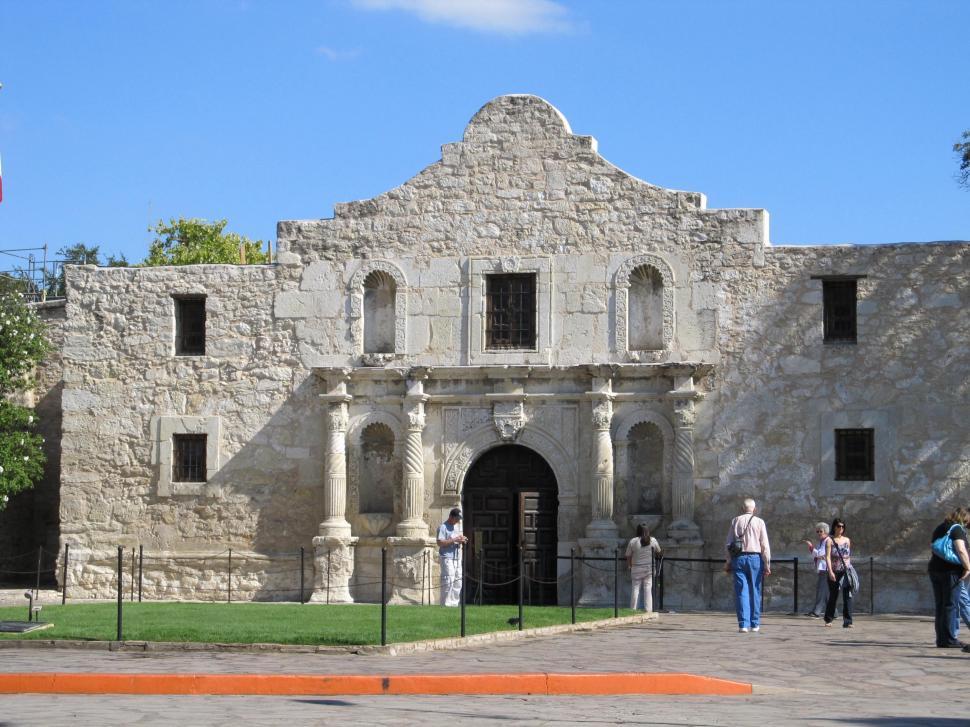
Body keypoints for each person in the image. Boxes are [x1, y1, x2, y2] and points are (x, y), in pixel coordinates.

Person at [723, 498, 771, 633]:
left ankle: (743, 624)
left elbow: (728, 544)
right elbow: (765, 546)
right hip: (755, 558)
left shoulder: (735, 521)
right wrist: (767, 564)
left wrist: (728, 561)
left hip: (738, 558)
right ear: (754, 509)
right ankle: (755, 624)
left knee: (741, 591)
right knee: (755, 591)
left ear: (742, 508)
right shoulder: (760, 522)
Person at [928, 507, 970, 648]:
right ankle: (950, 640)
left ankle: (941, 639)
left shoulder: (941, 527)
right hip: (951, 571)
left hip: (935, 569)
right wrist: (968, 567)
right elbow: (960, 549)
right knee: (950, 605)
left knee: (941, 605)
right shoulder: (957, 529)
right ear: (965, 517)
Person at [823, 518, 855, 628]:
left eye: (842, 526)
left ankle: (848, 621)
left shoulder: (847, 540)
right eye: (838, 526)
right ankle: (828, 619)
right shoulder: (829, 540)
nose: (841, 528)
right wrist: (830, 571)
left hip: (846, 571)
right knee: (833, 595)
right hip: (835, 570)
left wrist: (850, 569)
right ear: (834, 527)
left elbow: (848, 555)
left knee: (848, 595)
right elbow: (827, 557)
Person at [626, 523, 662, 612]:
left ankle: (633, 609)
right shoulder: (653, 540)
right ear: (648, 531)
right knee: (647, 589)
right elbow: (659, 551)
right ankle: (648, 610)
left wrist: (630, 565)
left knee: (635, 588)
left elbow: (628, 555)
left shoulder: (633, 541)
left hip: (636, 567)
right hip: (649, 568)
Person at [437, 507, 467, 607]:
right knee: (448, 580)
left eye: (459, 519)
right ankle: (445, 604)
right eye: (457, 519)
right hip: (447, 557)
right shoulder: (443, 527)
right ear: (451, 516)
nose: (458, 521)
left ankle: (454, 604)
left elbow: (458, 538)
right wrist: (454, 539)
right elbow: (440, 542)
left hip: (457, 557)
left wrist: (462, 539)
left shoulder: (456, 527)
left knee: (458, 581)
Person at [803, 522, 830, 618]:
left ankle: (816, 611)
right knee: (825, 592)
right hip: (823, 568)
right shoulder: (822, 541)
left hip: (826, 568)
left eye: (820, 531)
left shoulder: (827, 541)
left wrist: (810, 547)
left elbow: (819, 554)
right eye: (817, 531)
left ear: (825, 531)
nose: (819, 533)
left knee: (821, 590)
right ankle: (833, 612)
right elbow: (818, 555)